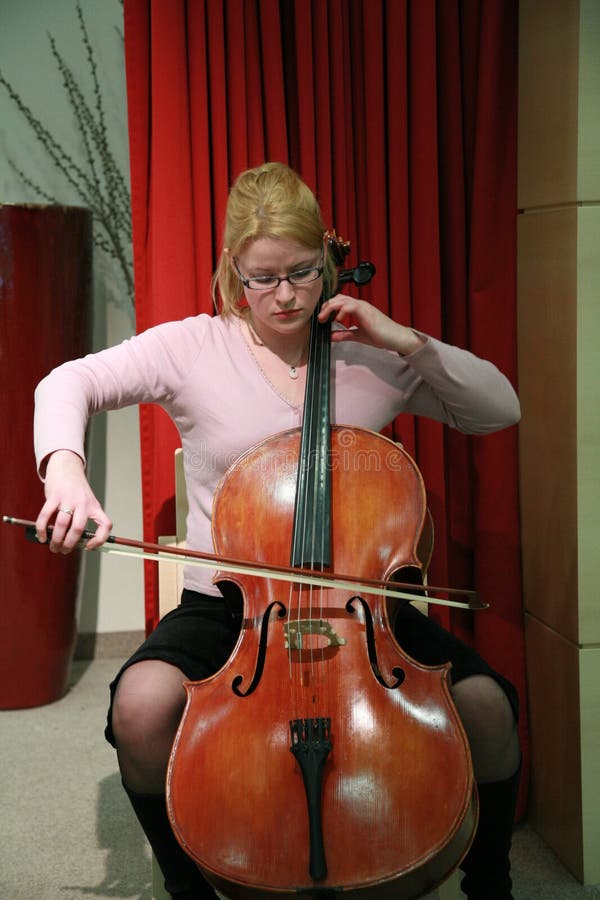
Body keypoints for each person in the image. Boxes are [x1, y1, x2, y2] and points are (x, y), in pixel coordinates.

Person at [34, 162, 522, 900]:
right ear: (234, 269)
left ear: (327, 259)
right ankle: (188, 888)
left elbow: (499, 408)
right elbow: (66, 381)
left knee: (489, 707)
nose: (286, 296)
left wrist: (408, 341)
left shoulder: (371, 356)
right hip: (232, 608)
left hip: (363, 611)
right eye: (262, 279)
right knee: (139, 707)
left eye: (301, 272)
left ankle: (491, 881)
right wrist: (65, 472)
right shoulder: (194, 348)